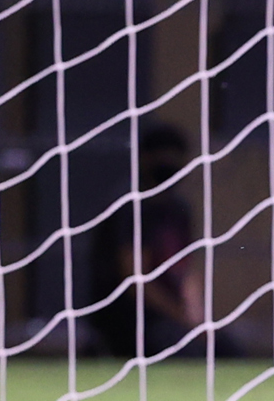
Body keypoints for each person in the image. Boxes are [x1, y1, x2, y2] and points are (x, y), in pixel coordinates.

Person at [88, 123, 215, 360]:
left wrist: (197, 317)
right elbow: (135, 278)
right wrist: (179, 316)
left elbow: (187, 269)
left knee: (225, 350)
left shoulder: (179, 209)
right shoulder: (130, 207)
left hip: (171, 317)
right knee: (184, 352)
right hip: (130, 317)